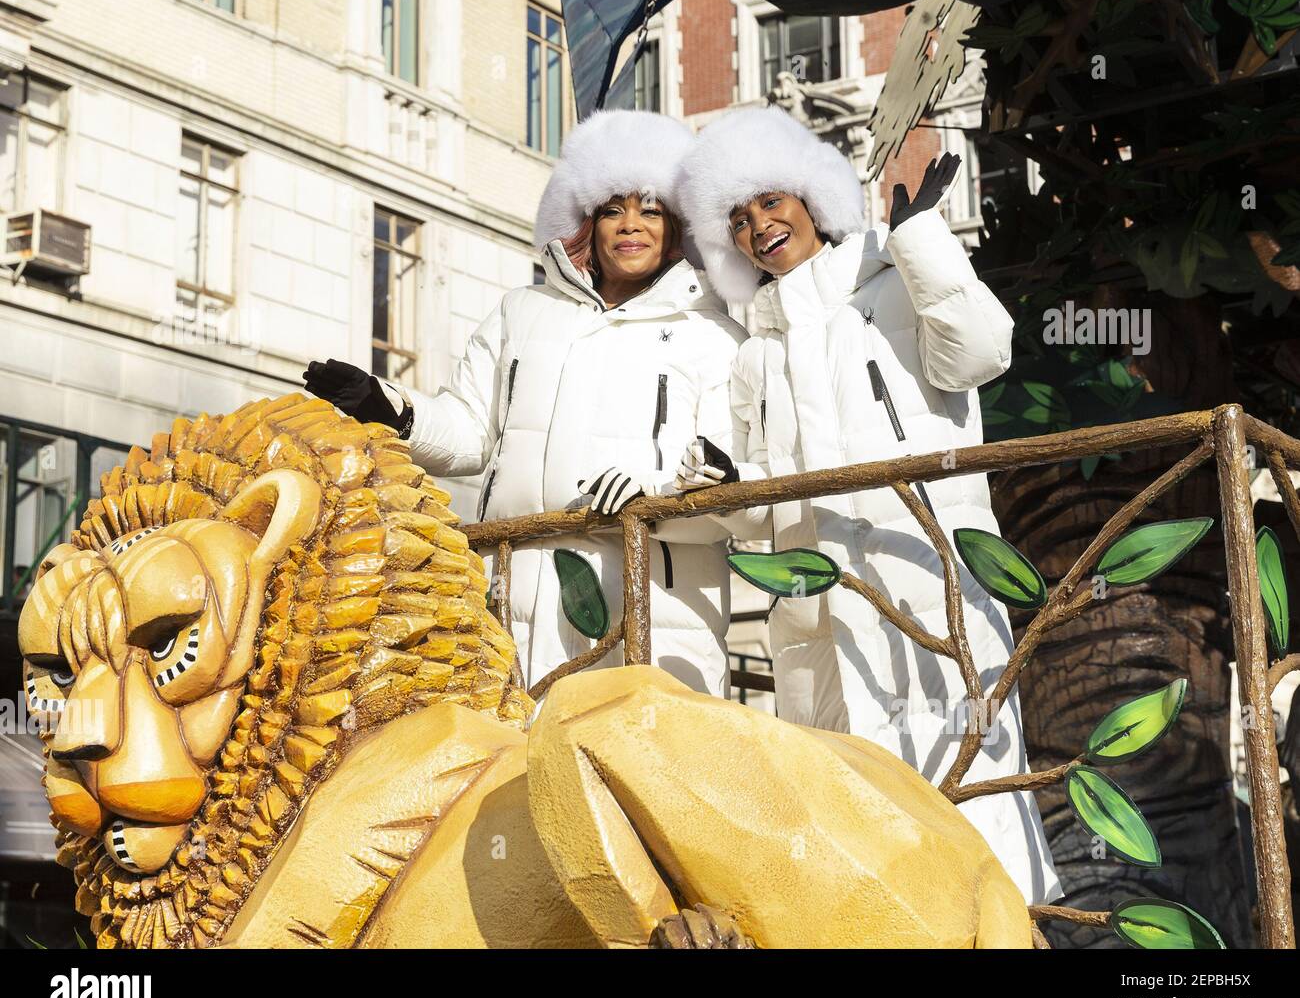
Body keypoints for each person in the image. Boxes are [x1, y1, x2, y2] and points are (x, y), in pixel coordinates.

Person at [674, 106, 1061, 904]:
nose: (760, 228)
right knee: (858, 845)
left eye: (771, 202)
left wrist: (921, 238)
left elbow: (983, 353)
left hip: (929, 597)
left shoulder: (894, 285)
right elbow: (761, 519)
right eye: (740, 221)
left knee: (968, 814)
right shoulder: (754, 357)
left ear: (812, 198)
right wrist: (726, 482)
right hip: (814, 622)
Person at [305, 110, 763, 697]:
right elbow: (472, 430)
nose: (631, 226)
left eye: (650, 209)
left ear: (675, 226)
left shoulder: (716, 338)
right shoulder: (521, 311)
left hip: (652, 608)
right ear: (586, 221)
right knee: (511, 778)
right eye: (612, 209)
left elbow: (733, 488)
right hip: (511, 597)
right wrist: (391, 409)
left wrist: (653, 492)